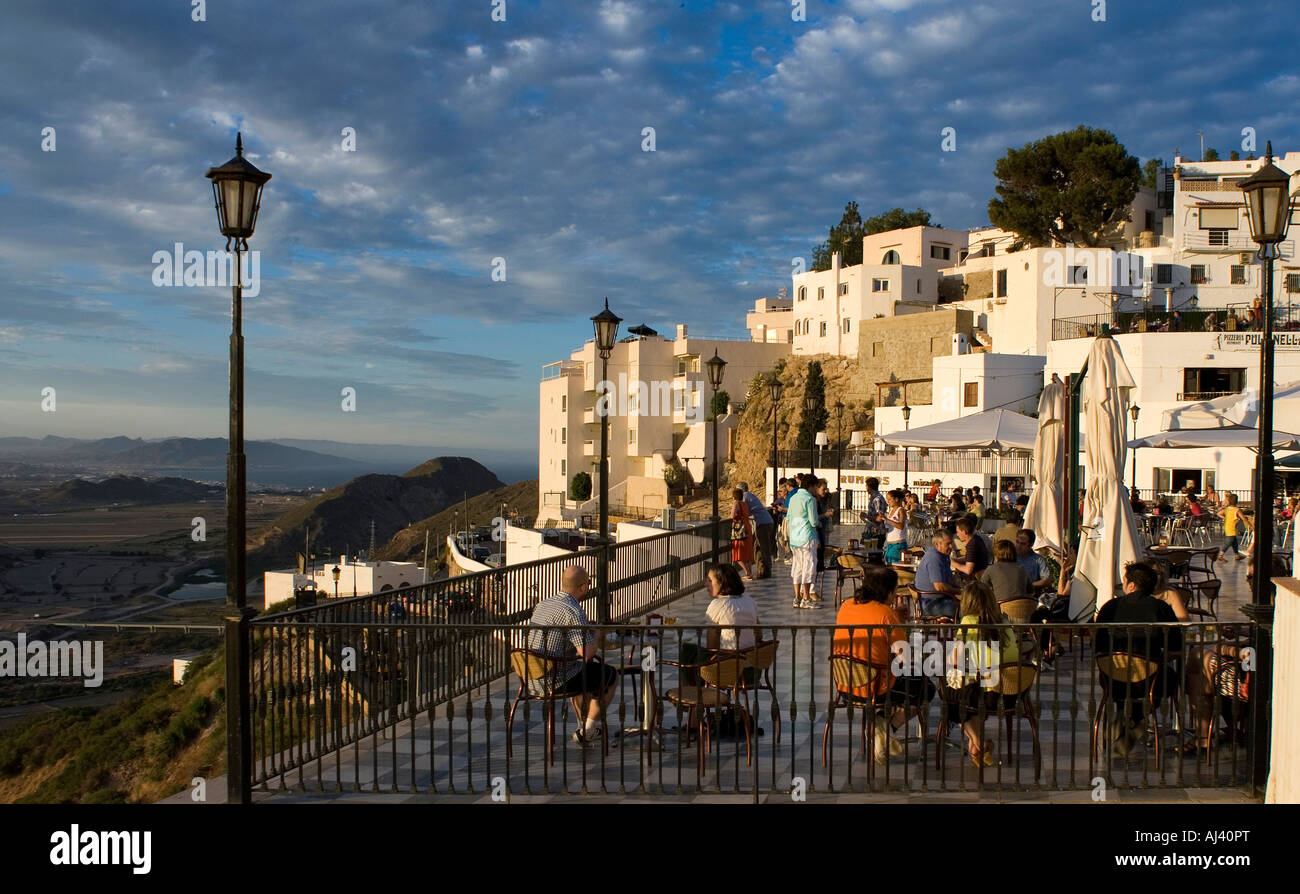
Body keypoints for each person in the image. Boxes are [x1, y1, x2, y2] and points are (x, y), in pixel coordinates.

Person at [832, 563, 934, 764]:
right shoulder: (885, 615)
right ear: (887, 592)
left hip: (845, 685)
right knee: (926, 688)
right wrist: (895, 619)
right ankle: (887, 728)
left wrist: (894, 615)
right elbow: (905, 656)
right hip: (875, 687)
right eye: (894, 591)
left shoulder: (846, 605)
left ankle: (879, 725)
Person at [1092, 562, 1182, 758]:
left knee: (1127, 676)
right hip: (1148, 682)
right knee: (1170, 677)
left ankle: (1125, 717)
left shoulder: (1110, 607)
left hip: (1112, 680)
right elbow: (1176, 646)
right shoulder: (1160, 608)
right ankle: (1138, 720)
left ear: (1131, 585)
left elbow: (1098, 645)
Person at [525, 565, 618, 747]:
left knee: (581, 671)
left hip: (530, 676)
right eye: (588, 584)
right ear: (582, 587)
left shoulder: (543, 604)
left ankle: (584, 727)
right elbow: (587, 653)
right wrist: (595, 635)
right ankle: (588, 730)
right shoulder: (573, 610)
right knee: (610, 675)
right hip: (554, 679)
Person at [945, 579, 1021, 768]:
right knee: (972, 688)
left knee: (952, 698)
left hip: (987, 695)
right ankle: (976, 747)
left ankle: (979, 743)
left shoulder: (969, 622)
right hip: (1012, 693)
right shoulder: (1004, 620)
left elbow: (955, 660)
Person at [787, 474, 822, 610]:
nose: (816, 490)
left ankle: (797, 597)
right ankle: (806, 598)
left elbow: (789, 518)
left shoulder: (793, 498)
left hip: (794, 538)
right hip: (807, 537)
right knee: (809, 567)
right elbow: (813, 521)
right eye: (815, 487)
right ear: (811, 486)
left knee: (797, 567)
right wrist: (819, 523)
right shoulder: (810, 499)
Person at [914, 530, 960, 618]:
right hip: (932, 604)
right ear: (937, 544)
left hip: (942, 599)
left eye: (952, 543)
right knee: (968, 609)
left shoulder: (944, 556)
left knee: (972, 603)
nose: (951, 547)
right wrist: (960, 592)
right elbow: (939, 586)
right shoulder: (934, 558)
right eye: (948, 544)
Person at [739, 482, 775, 579]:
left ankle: (764, 571)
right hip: (766, 522)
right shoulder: (750, 495)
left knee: (761, 548)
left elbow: (742, 510)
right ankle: (764, 570)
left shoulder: (744, 496)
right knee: (759, 547)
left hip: (763, 523)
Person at [984, 539, 1031, 603]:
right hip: (1022, 608)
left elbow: (982, 587)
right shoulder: (1021, 569)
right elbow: (1030, 590)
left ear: (996, 555)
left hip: (1001, 608)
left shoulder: (991, 569)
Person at [951, 516, 989, 581]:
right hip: (981, 574)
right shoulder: (976, 539)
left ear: (964, 532)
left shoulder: (972, 545)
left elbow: (968, 570)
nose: (957, 535)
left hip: (975, 580)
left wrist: (953, 563)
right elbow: (971, 558)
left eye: (958, 532)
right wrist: (956, 560)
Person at [1217, 493, 1251, 562]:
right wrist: (1249, 525)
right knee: (1228, 542)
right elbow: (1243, 518)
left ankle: (1237, 555)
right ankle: (1220, 555)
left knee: (1234, 542)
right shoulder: (1236, 509)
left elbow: (1218, 513)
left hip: (1227, 526)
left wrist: (1225, 518)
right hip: (1232, 528)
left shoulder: (1227, 509)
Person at [730, 487, 755, 579]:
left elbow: (732, 515)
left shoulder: (736, 503)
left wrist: (732, 515)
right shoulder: (745, 504)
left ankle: (747, 572)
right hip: (747, 527)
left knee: (738, 553)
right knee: (747, 551)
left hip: (740, 530)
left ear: (734, 496)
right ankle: (750, 572)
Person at [882, 488, 908, 564]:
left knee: (896, 568)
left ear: (896, 499)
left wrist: (887, 519)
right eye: (887, 500)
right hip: (890, 544)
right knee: (889, 567)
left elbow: (900, 526)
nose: (888, 502)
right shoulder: (890, 511)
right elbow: (889, 528)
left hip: (898, 544)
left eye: (890, 499)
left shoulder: (901, 510)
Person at [862, 476, 887, 548]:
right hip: (872, 532)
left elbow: (879, 518)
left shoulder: (877, 499)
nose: (866, 488)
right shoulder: (874, 498)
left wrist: (866, 516)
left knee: (875, 556)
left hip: (876, 533)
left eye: (866, 486)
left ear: (869, 487)